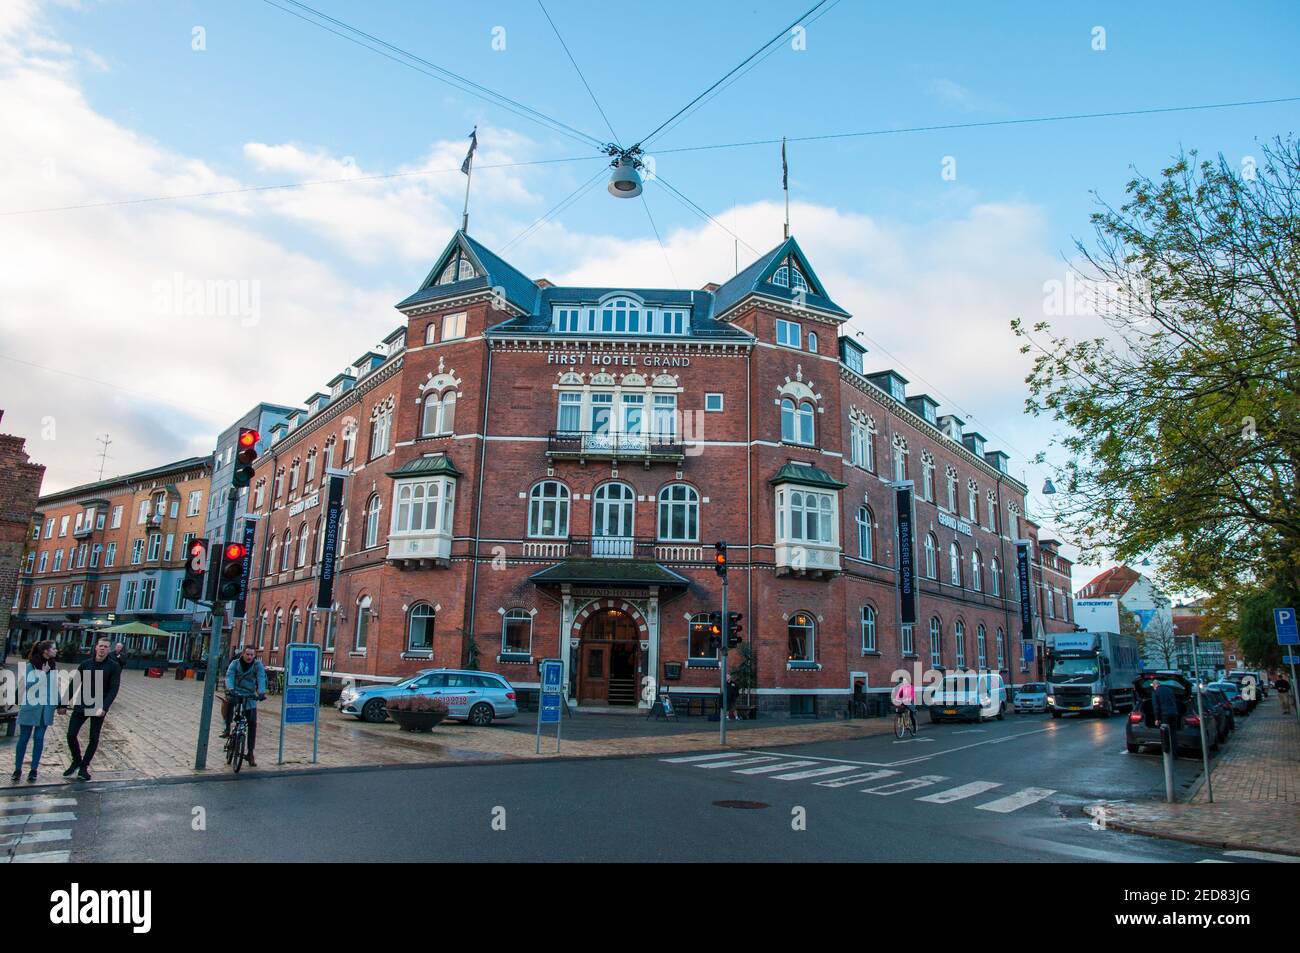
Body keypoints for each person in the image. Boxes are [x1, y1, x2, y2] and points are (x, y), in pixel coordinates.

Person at [62, 638, 121, 781]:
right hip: (82, 703)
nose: (102, 649)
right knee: (71, 734)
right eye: (100, 646)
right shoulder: (85, 664)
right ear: (96, 647)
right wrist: (63, 703)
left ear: (109, 649)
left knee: (93, 737)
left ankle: (84, 767)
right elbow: (74, 684)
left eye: (106, 647)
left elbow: (113, 689)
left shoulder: (114, 667)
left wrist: (104, 707)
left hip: (98, 706)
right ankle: (76, 760)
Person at [12, 641, 60, 783]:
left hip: (45, 708)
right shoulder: (30, 665)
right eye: (54, 648)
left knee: (39, 739)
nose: (56, 651)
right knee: (24, 739)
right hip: (30, 707)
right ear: (46, 650)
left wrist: (60, 704)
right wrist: (42, 674)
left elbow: (54, 686)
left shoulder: (52, 666)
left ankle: (33, 770)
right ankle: (17, 769)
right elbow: (29, 684)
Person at [224, 646, 267, 767]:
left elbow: (261, 677)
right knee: (229, 704)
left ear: (255, 655)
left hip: (250, 694)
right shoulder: (235, 663)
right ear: (243, 654)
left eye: (252, 655)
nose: (249, 657)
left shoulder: (257, 665)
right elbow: (229, 676)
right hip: (236, 691)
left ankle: (250, 753)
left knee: (252, 722)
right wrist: (231, 689)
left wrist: (261, 692)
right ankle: (227, 728)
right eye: (247, 654)